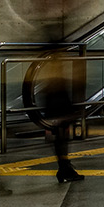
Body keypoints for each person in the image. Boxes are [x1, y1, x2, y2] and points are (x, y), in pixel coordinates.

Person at [34, 46, 87, 183]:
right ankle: (64, 168)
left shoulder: (53, 70)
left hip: (56, 106)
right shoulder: (55, 71)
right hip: (59, 107)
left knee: (61, 138)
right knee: (61, 139)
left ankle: (64, 168)